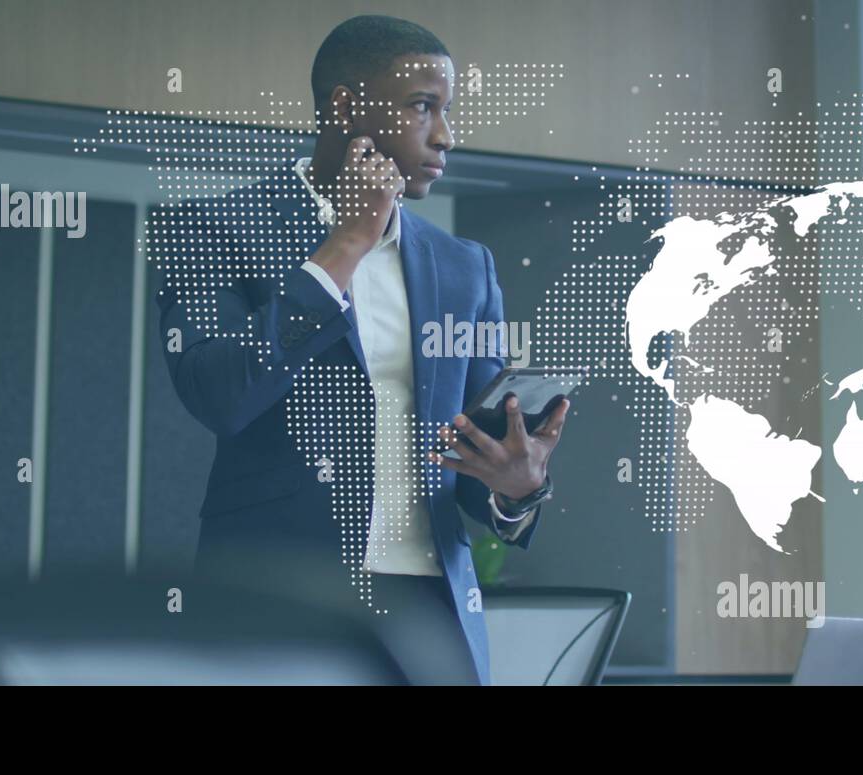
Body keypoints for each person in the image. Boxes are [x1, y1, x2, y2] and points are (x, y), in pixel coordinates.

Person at [153, 14, 569, 685]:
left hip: (428, 616)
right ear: (345, 106)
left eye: (448, 110)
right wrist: (345, 243)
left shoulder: (466, 266)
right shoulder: (210, 228)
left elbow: (475, 457)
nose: (445, 134)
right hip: (277, 603)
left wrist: (517, 488)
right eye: (422, 106)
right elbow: (219, 393)